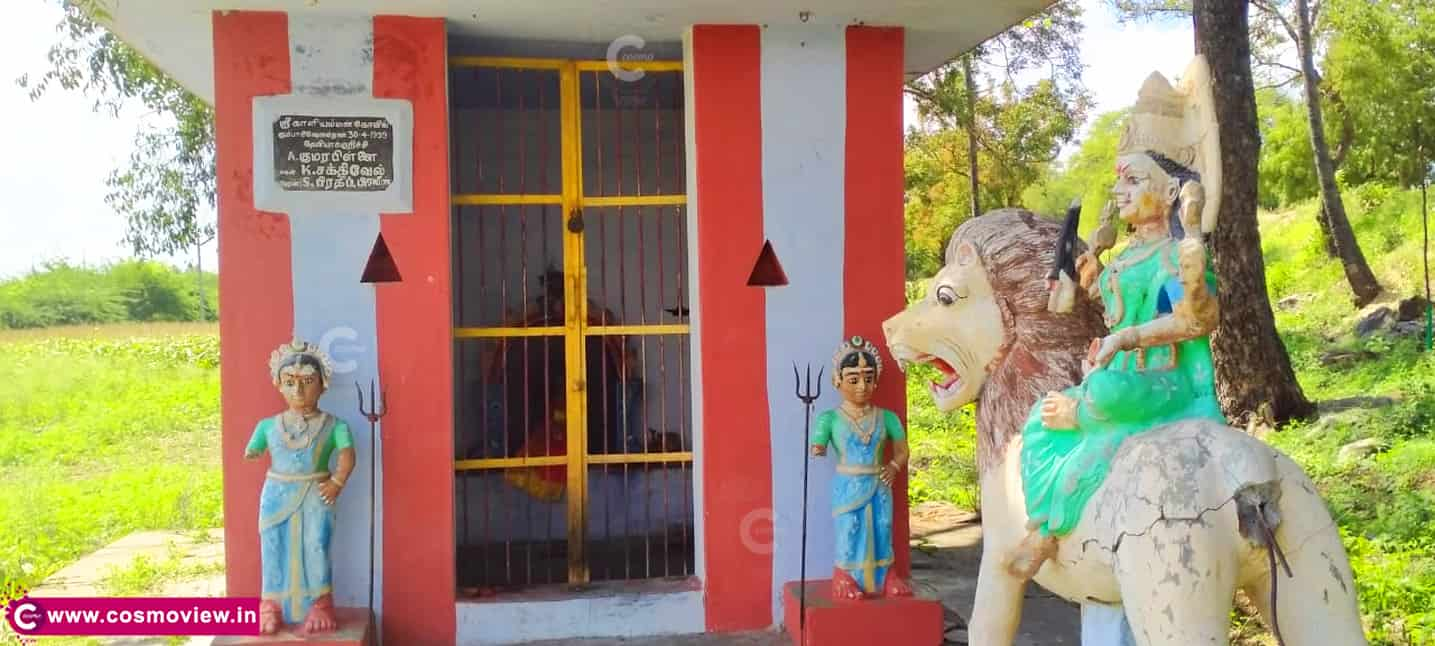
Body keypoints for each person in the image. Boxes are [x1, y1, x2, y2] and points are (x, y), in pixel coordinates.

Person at [1013, 64, 1227, 578]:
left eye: (1135, 180)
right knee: (1041, 417)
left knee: (1106, 392)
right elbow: (1106, 315)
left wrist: (1139, 330)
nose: (1123, 191)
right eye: (1120, 181)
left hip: (1164, 383)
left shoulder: (1177, 255)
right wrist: (1078, 285)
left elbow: (1192, 321)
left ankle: (1049, 526)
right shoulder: (1125, 259)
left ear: (1172, 191)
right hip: (1121, 378)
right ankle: (1066, 452)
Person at [245, 338, 355, 633]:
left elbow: (347, 456)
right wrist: (253, 450)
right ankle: (271, 605)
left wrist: (337, 481)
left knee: (316, 545)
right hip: (276, 495)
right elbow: (253, 449)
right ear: (278, 384)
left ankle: (320, 604)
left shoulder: (335, 425)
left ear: (323, 384)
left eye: (307, 381)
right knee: (273, 547)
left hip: (317, 492)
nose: (299, 390)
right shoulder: (268, 426)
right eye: (290, 382)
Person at [811, 335, 914, 600]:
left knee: (882, 529)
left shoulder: (887, 417)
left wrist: (893, 465)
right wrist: (817, 447)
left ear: (876, 380)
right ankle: (844, 578)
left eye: (868, 378)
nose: (862, 386)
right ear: (838, 381)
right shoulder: (830, 418)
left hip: (880, 483)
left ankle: (888, 576)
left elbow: (903, 450)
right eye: (853, 379)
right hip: (848, 486)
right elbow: (818, 442)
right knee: (849, 530)